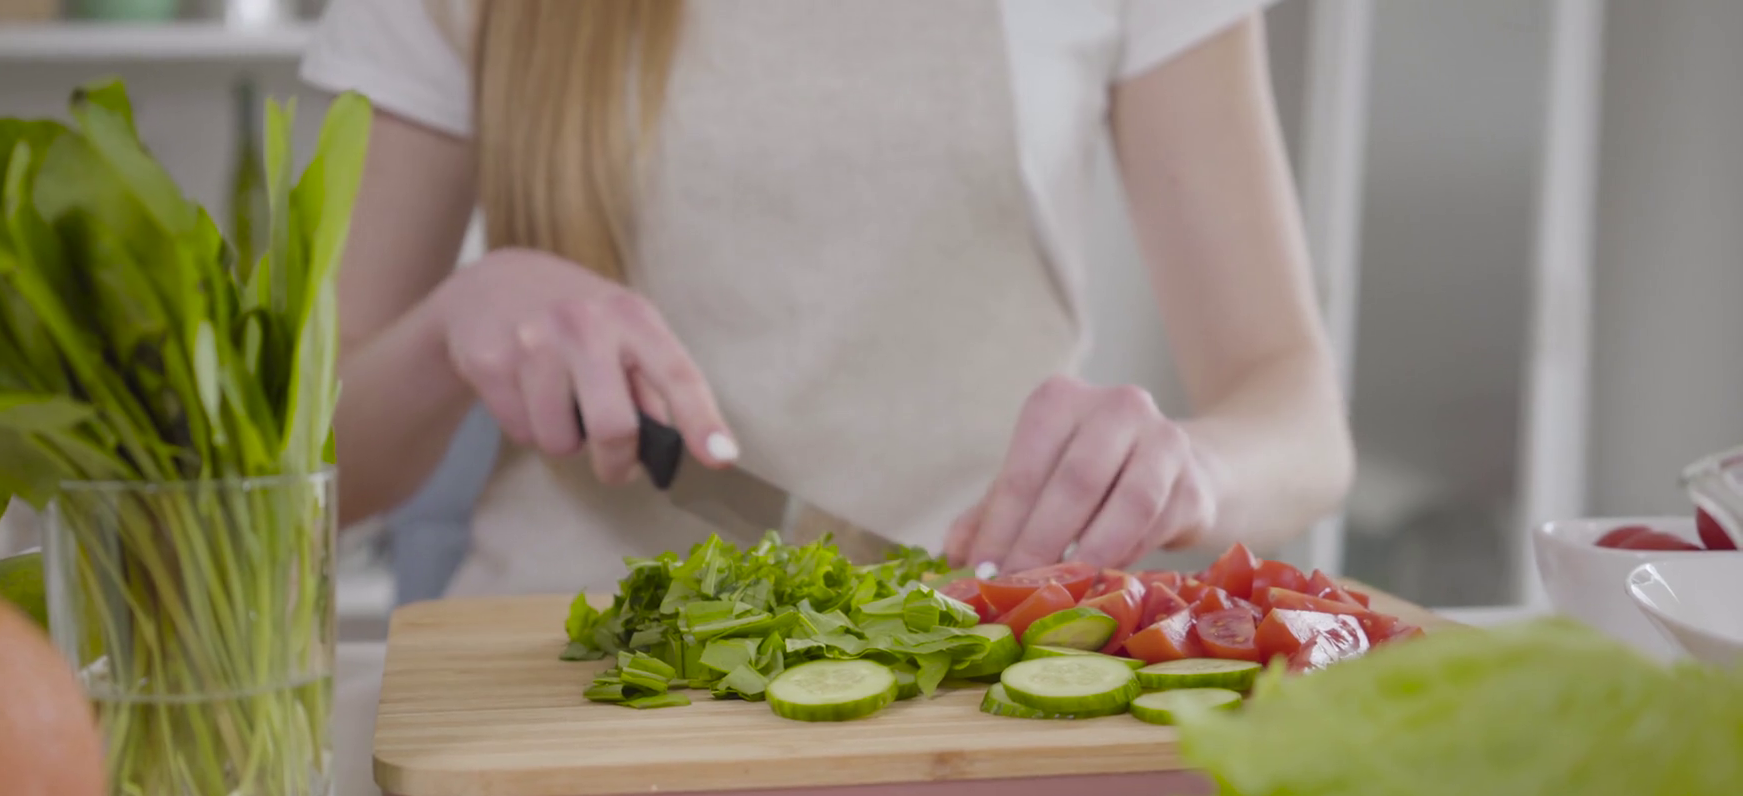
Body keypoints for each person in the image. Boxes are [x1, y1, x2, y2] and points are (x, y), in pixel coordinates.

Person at [302, 0, 1354, 597]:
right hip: (561, 687)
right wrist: (453, 325)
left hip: (969, 681)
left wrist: (1192, 467)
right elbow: (302, 479)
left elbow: (1299, 417)